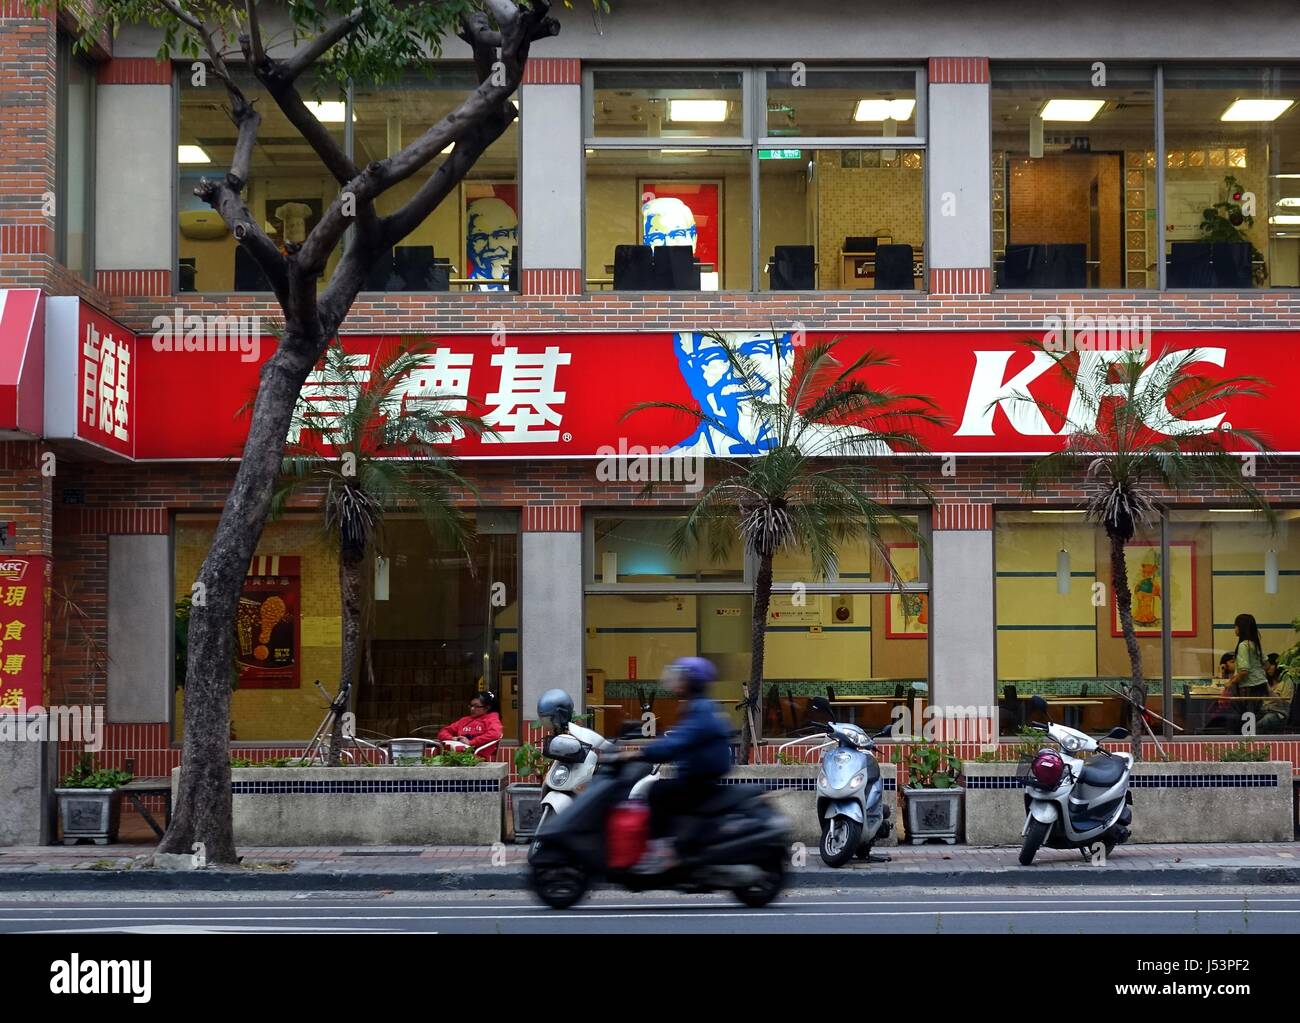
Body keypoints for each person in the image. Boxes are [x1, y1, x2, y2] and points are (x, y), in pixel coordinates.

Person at [612, 656, 733, 874]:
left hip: (699, 780)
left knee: (657, 792)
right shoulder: (698, 706)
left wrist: (641, 753)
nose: (677, 682)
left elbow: (677, 742)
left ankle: (662, 853)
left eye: (682, 678)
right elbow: (678, 739)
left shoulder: (700, 709)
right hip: (697, 777)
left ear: (693, 682)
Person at [438, 690, 503, 755]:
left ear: (487, 708)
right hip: (456, 755)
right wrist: (452, 738)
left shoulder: (492, 720)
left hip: (478, 758)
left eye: (476, 706)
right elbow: (443, 732)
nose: (472, 709)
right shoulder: (464, 720)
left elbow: (495, 734)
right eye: (471, 705)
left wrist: (471, 742)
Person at [1260, 655, 1294, 734]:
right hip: (1263, 711)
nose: (1268, 668)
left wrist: (1270, 692)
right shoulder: (1265, 682)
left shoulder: (1286, 681)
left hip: (1279, 714)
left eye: (1272, 664)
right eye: (1266, 665)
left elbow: (1284, 704)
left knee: (1263, 722)